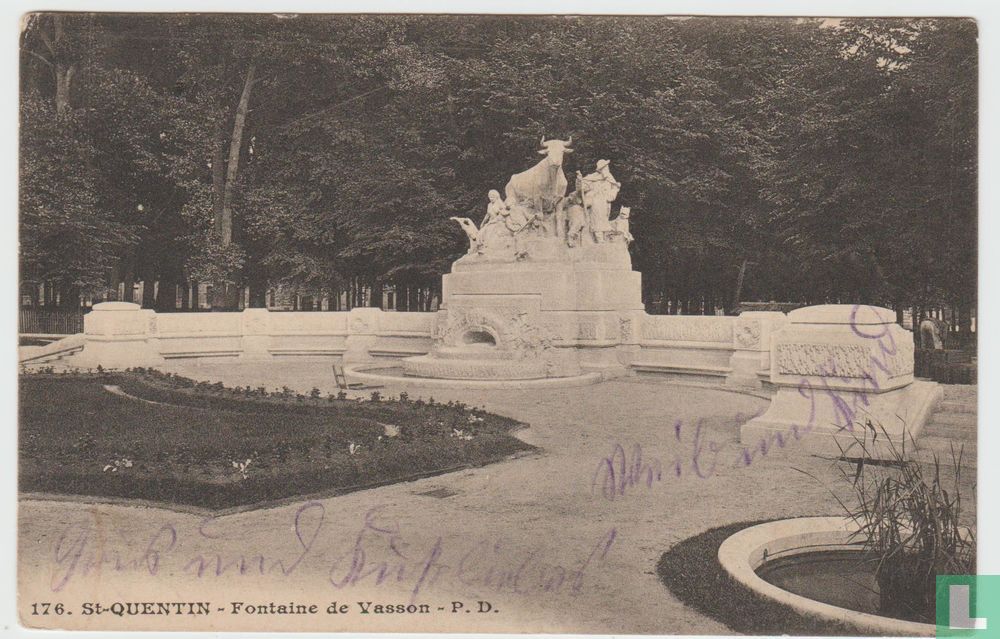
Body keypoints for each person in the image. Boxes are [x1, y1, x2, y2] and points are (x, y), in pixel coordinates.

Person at [578, 159, 621, 243]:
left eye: (607, 167)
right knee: (597, 219)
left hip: (605, 203)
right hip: (595, 201)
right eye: (605, 167)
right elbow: (583, 187)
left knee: (604, 219)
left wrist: (613, 192)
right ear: (601, 169)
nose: (607, 169)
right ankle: (599, 238)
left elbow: (614, 188)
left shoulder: (609, 178)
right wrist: (580, 183)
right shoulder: (592, 177)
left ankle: (604, 237)